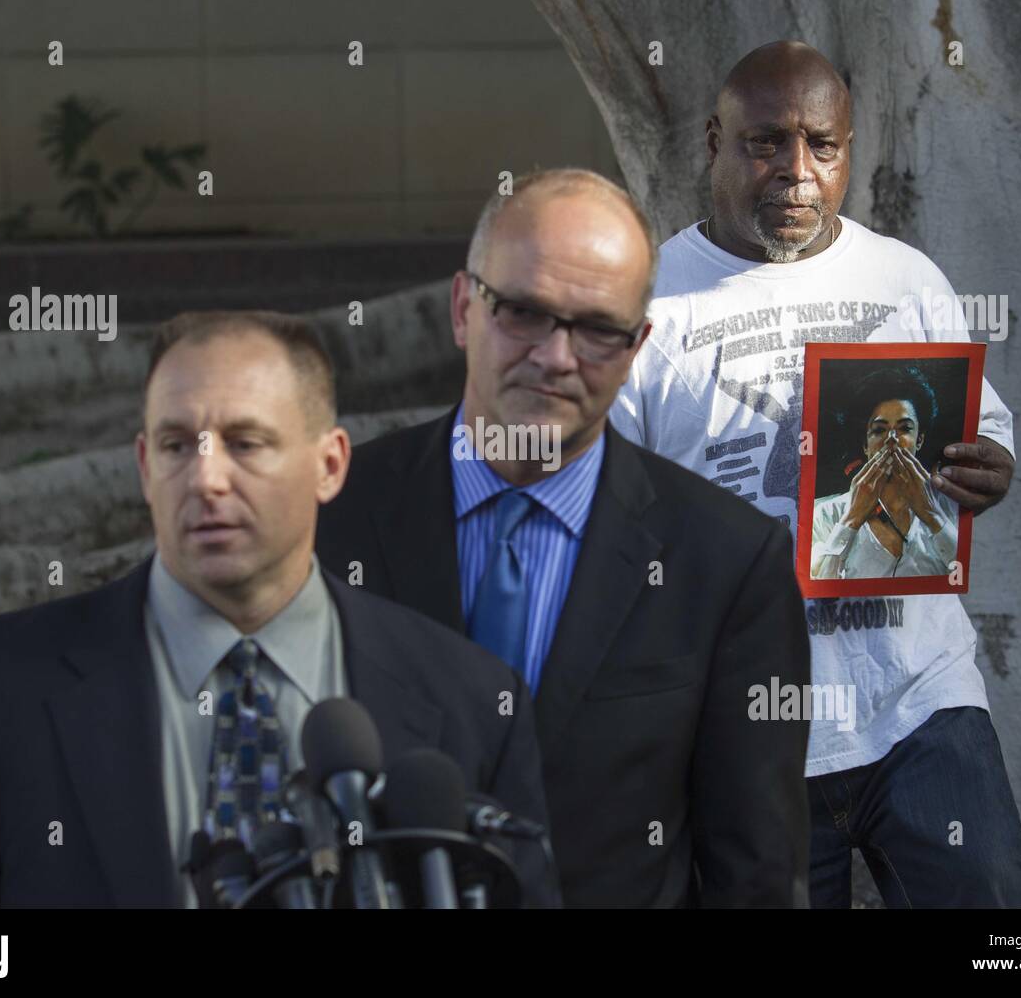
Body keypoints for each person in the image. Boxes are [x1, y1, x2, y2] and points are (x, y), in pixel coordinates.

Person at [0, 311, 557, 909]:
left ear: (331, 464)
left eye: (245, 443)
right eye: (175, 445)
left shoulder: (471, 701)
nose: (206, 476)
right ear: (142, 466)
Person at [612, 41, 1021, 907]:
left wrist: (987, 472)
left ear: (850, 150)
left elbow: (981, 433)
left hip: (918, 696)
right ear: (713, 141)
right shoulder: (649, 300)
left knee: (1004, 911)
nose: (797, 172)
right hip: (743, 726)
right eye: (766, 142)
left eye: (823, 145)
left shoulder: (904, 277)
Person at [317, 168, 812, 908]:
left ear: (638, 344)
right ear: (462, 308)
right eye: (523, 311)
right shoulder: (330, 515)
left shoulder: (728, 561)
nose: (555, 357)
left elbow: (758, 873)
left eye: (597, 329)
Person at [811, 366, 956, 579]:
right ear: (865, 445)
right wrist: (852, 519)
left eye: (904, 428)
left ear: (920, 439)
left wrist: (932, 516)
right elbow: (818, 590)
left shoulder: (950, 507)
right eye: (879, 430)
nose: (892, 440)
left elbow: (972, 579)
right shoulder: (825, 513)